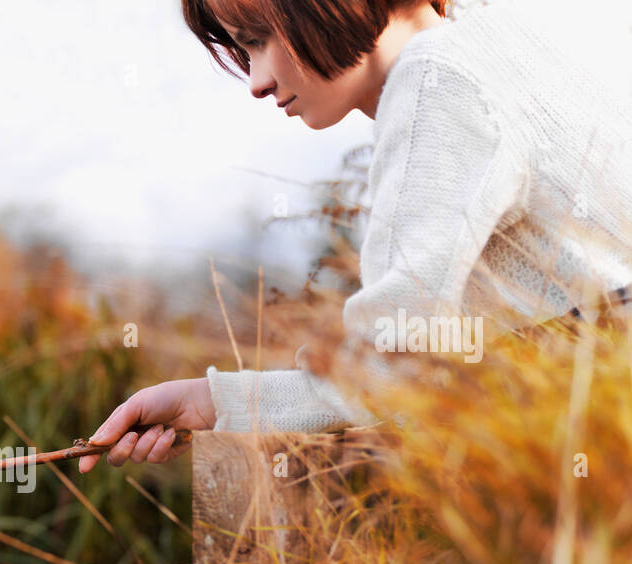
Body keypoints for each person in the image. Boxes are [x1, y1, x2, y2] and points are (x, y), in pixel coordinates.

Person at [78, 0, 632, 474]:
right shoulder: (493, 38)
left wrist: (220, 402)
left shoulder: (435, 81)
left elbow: (386, 368)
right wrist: (209, 403)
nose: (256, 81)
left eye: (261, 38)